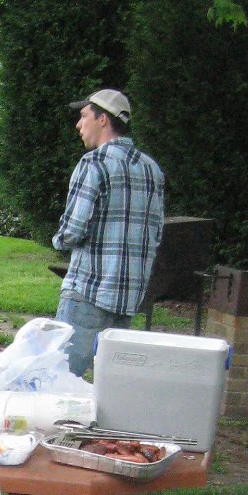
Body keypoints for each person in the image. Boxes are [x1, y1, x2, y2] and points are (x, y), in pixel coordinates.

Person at [52, 88, 165, 377]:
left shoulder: (93, 164)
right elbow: (156, 232)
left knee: (59, 379)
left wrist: (58, 239)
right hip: (127, 298)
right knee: (113, 389)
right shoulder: (152, 170)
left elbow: (72, 231)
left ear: (103, 119)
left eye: (83, 116)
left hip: (87, 291)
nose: (79, 124)